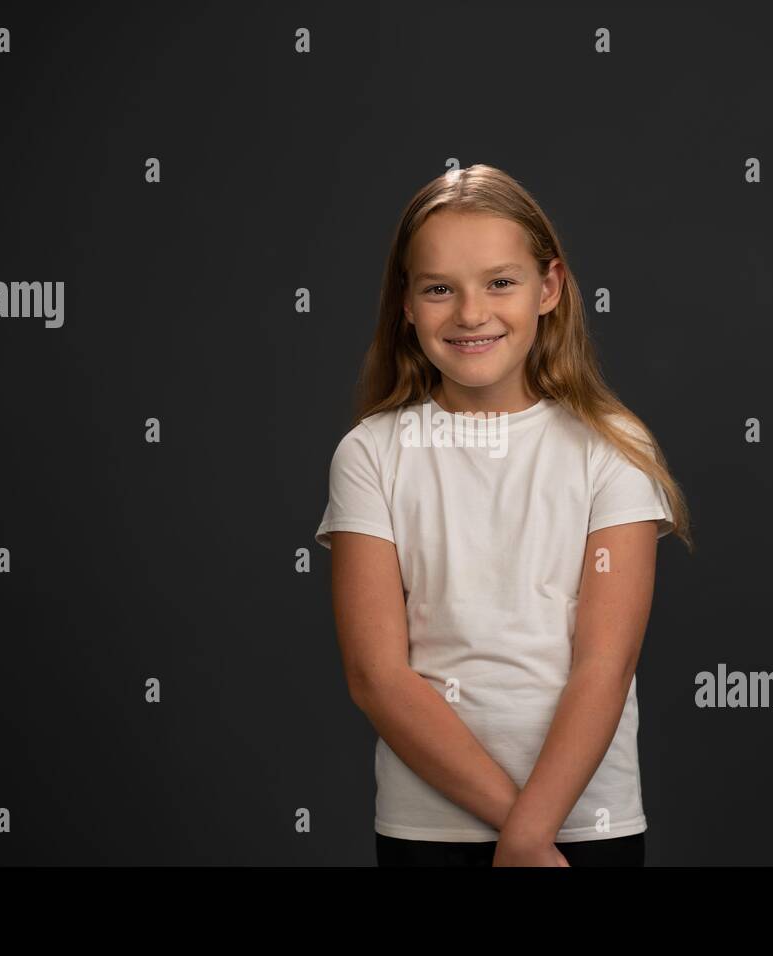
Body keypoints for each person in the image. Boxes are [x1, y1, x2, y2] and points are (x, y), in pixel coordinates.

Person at [315, 164, 694, 867]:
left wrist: (533, 829)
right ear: (405, 303)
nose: (469, 313)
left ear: (547, 288)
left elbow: (604, 666)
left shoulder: (611, 447)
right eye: (438, 289)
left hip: (587, 826)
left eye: (500, 282)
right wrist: (516, 829)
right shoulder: (371, 454)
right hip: (431, 830)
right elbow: (377, 675)